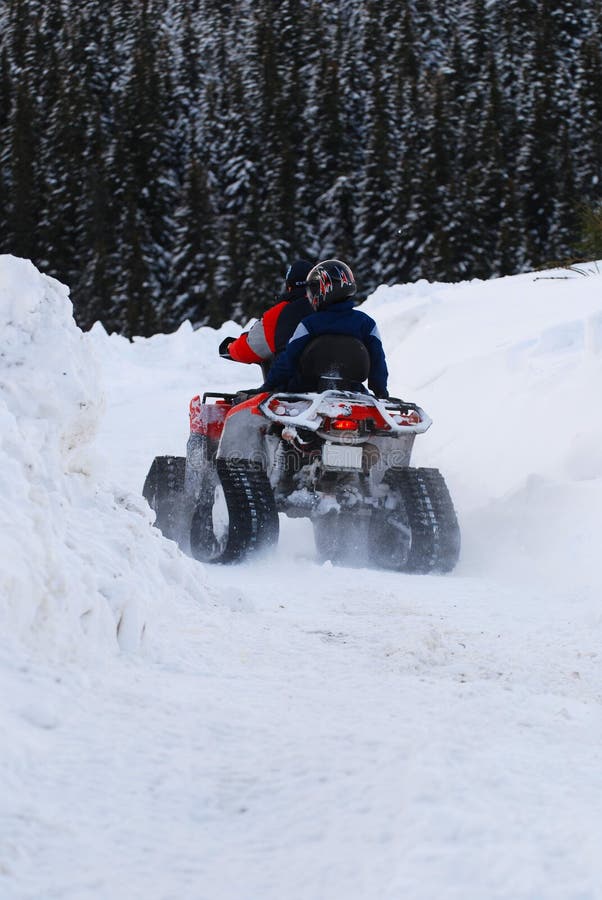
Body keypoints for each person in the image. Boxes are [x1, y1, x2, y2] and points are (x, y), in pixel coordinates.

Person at [260, 259, 389, 397]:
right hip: (352, 391)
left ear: (321, 290)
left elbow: (288, 358)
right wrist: (380, 391)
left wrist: (268, 386)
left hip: (305, 392)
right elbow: (378, 361)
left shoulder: (309, 324)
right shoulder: (366, 323)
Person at [218, 259, 314, 376]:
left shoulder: (279, 314)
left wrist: (230, 348)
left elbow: (250, 347)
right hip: (331, 381)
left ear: (289, 287)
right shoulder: (327, 306)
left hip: (293, 384)